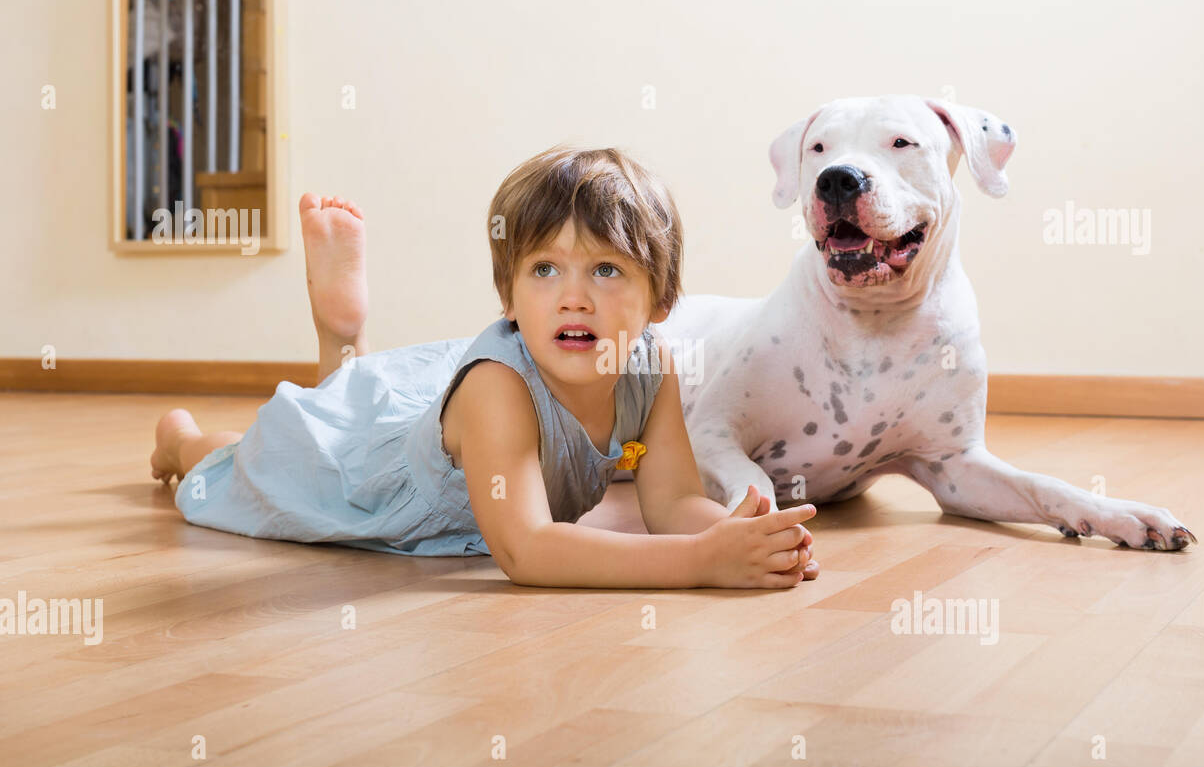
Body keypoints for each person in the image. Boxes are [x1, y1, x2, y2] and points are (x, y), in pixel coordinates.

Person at [149, 146, 818, 588]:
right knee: (244, 463)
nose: (573, 295)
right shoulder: (498, 390)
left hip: (420, 428)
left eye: (606, 269)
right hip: (351, 481)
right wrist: (703, 562)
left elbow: (671, 502)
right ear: (509, 296)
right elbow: (526, 549)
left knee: (347, 401)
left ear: (663, 300)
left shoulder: (648, 366)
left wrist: (741, 534)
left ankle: (341, 345)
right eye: (544, 269)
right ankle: (179, 438)